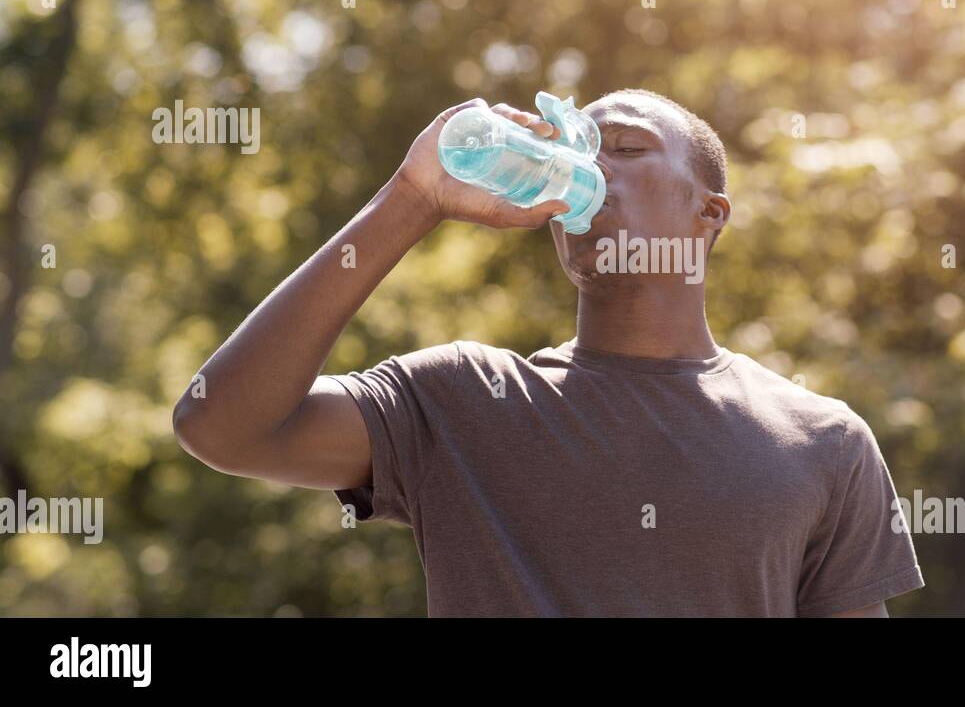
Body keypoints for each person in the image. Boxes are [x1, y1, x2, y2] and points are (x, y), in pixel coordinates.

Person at [172, 89, 923, 617]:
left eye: (626, 148)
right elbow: (220, 426)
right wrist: (413, 195)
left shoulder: (824, 440)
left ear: (709, 212)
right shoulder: (462, 400)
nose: (589, 171)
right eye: (576, 151)